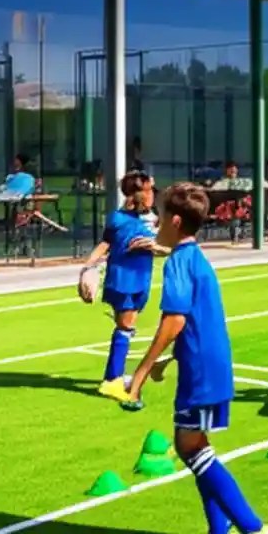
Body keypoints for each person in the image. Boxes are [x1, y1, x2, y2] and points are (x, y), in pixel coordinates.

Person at [122, 183, 268, 534]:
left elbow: (175, 320)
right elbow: (197, 321)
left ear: (174, 221)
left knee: (190, 447)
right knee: (196, 446)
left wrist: (140, 373)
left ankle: (253, 528)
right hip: (209, 366)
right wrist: (169, 361)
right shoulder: (191, 256)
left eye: (159, 218)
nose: (155, 223)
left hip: (202, 374)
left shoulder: (178, 263)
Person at [79, 171, 168, 400]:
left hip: (142, 278)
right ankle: (112, 381)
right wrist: (88, 268)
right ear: (137, 193)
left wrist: (156, 247)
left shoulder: (151, 218)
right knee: (125, 326)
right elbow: (105, 244)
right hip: (122, 280)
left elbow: (164, 247)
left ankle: (116, 376)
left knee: (128, 325)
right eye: (149, 190)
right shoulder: (118, 219)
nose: (152, 194)